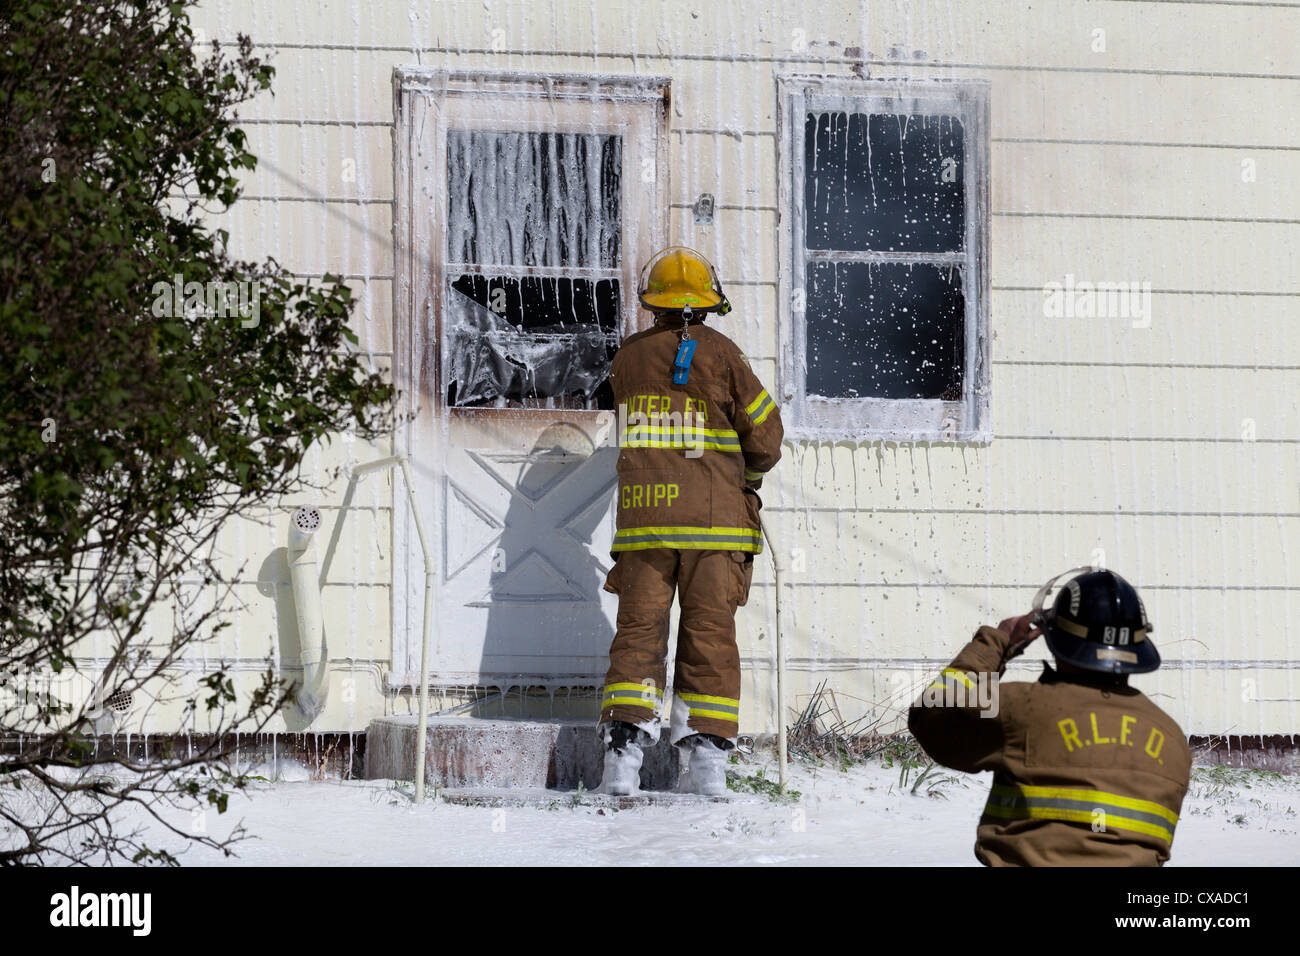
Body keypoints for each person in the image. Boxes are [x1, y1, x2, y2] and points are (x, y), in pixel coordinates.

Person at [598, 246, 783, 796]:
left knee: (637, 637)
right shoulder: (724, 355)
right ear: (707, 304)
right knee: (710, 638)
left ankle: (621, 766)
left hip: (645, 526)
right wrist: (742, 475)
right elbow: (766, 438)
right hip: (715, 527)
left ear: (653, 303)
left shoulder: (627, 359)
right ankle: (706, 769)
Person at [908, 567, 1192, 865]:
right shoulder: (1174, 742)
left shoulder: (1021, 708)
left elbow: (931, 712)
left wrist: (997, 643)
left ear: (1055, 637)